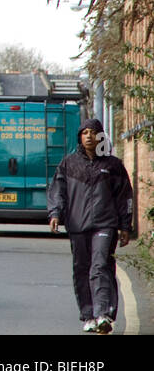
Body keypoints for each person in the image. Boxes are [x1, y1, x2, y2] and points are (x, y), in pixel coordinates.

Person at [47, 118, 134, 335]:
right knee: (82, 269)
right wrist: (55, 213)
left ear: (100, 137)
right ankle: (88, 316)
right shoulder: (69, 164)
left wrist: (125, 225)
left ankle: (103, 313)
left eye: (92, 132)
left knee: (100, 265)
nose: (88, 136)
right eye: (84, 132)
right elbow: (58, 191)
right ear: (79, 137)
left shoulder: (113, 165)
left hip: (105, 224)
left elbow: (124, 197)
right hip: (77, 225)